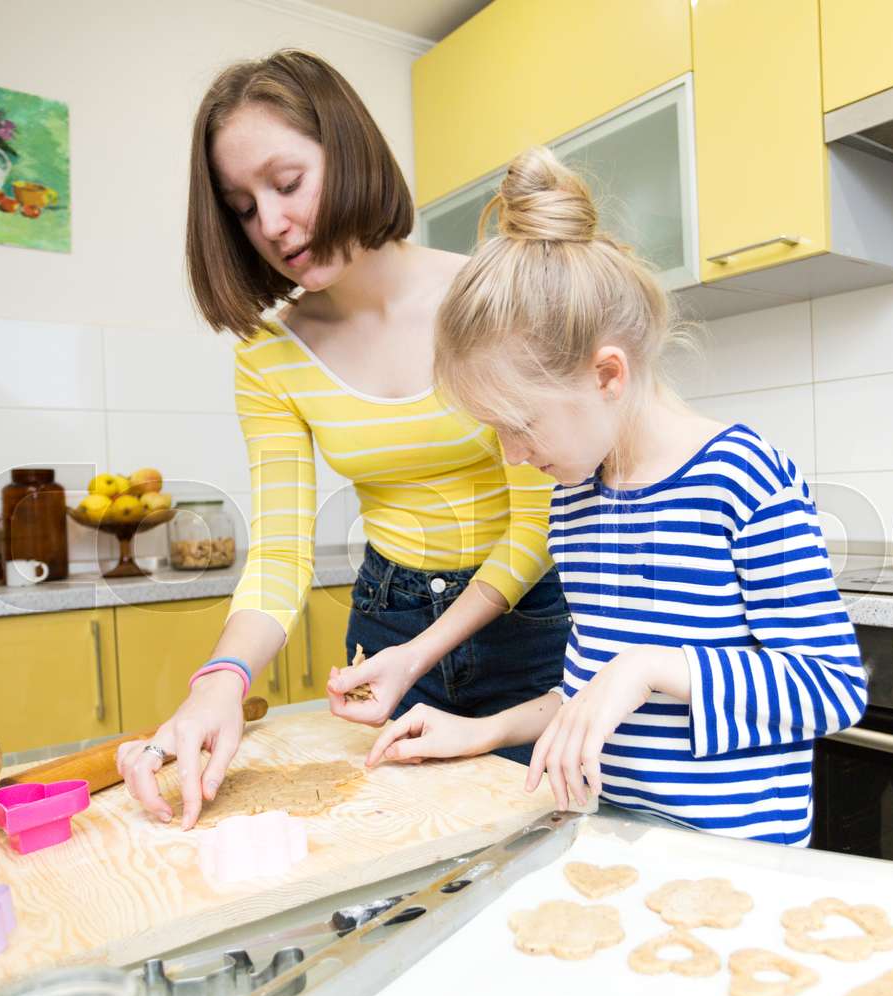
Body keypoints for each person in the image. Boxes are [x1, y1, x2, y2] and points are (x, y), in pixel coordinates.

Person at [118, 51, 571, 829]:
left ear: (349, 149)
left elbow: (535, 524)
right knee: (390, 874)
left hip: (525, 626)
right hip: (384, 632)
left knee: (538, 857)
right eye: (242, 206)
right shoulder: (270, 355)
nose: (271, 224)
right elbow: (283, 554)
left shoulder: (490, 297)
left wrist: (422, 653)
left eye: (286, 183)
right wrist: (220, 679)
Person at [366, 147, 867, 846]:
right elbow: (585, 699)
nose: (512, 454)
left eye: (520, 424)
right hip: (618, 840)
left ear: (606, 374)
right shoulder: (573, 500)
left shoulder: (742, 479)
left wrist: (650, 667)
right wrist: (480, 731)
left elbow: (830, 686)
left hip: (740, 862)